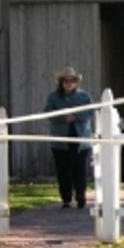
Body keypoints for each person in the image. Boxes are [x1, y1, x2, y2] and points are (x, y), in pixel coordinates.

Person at [44, 66, 93, 209]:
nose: (68, 83)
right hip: (60, 140)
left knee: (79, 169)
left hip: (80, 139)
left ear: (76, 82)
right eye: (65, 81)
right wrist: (63, 117)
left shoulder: (84, 96)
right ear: (61, 82)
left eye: (72, 81)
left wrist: (76, 116)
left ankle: (80, 196)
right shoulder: (53, 97)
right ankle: (66, 197)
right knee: (62, 170)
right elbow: (48, 113)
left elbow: (90, 112)